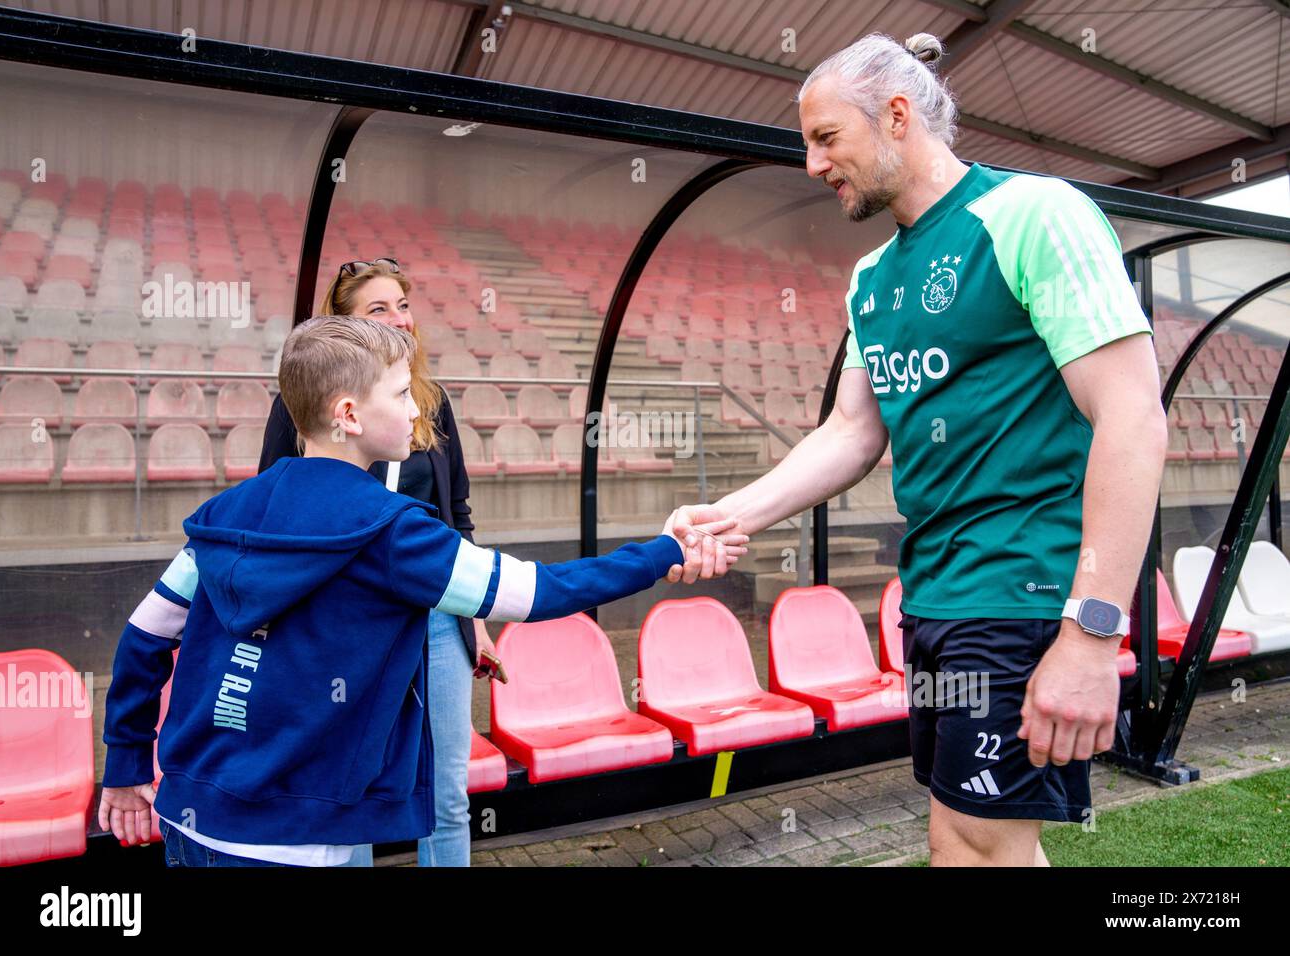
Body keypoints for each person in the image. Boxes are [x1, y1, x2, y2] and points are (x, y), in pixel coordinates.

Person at [666, 32, 1168, 866]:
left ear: (897, 116)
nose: (811, 163)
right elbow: (852, 432)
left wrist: (1090, 635)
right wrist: (731, 514)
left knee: (973, 844)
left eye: (826, 138)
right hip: (932, 597)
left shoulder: (1032, 214)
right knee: (966, 834)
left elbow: (1133, 417)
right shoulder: (870, 277)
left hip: (1020, 592)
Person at [98, 316, 745, 866]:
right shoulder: (392, 531)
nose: (417, 409)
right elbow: (536, 592)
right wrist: (665, 551)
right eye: (403, 394)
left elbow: (144, 636)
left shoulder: (224, 513)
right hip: (290, 842)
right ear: (348, 414)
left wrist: (127, 764)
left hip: (189, 818)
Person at [258, 257, 492, 867]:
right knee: (349, 786)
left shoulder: (432, 402)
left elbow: (456, 513)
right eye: (377, 309)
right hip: (347, 622)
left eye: (403, 305)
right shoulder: (302, 404)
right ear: (346, 326)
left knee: (447, 790)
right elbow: (276, 496)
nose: (398, 319)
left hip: (435, 614)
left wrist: (477, 617)